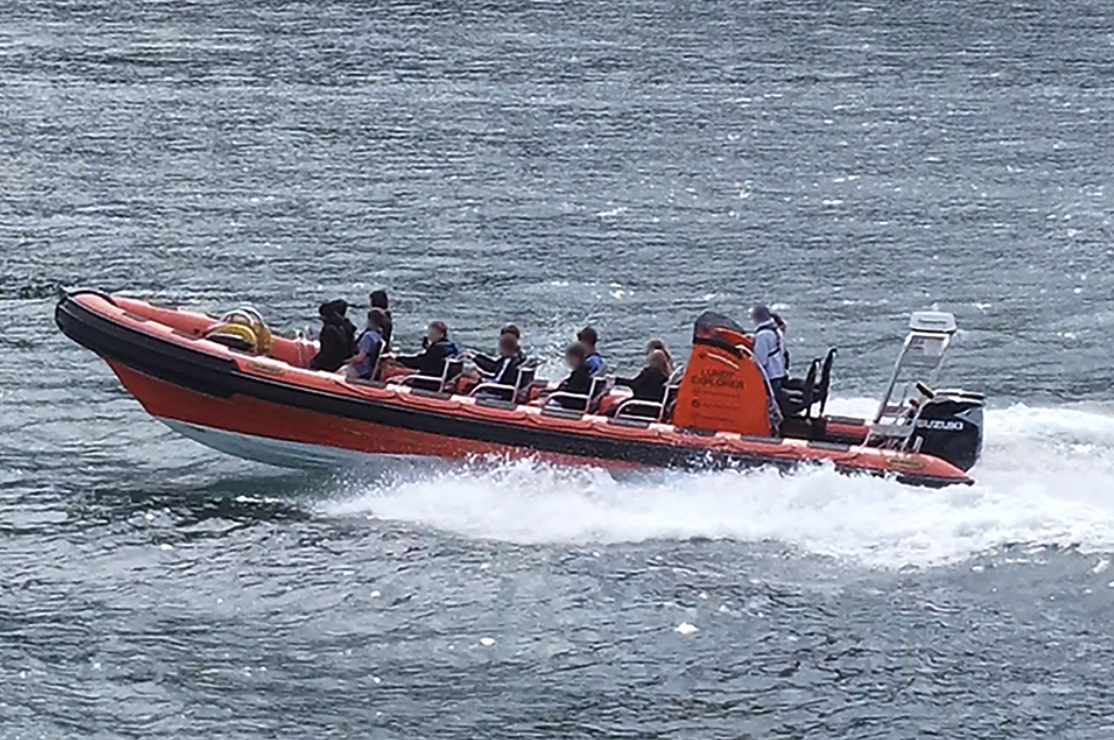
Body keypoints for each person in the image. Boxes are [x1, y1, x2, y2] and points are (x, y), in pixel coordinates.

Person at [751, 304, 789, 414]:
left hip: (770, 375)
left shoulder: (762, 335)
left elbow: (760, 360)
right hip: (779, 372)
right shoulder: (776, 330)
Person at [394, 320, 460, 378]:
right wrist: (429, 348)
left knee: (395, 379)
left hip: (432, 379)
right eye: (429, 333)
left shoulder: (437, 349)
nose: (430, 336)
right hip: (442, 375)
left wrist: (399, 359)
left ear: (441, 334)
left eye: (432, 334)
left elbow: (420, 362)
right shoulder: (450, 346)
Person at [309, 300, 356, 372]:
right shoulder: (348, 325)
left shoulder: (329, 330)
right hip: (344, 359)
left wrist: (314, 362)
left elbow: (328, 352)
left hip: (332, 364)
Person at [342, 309, 387, 380]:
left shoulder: (368, 336)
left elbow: (360, 357)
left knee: (339, 373)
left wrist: (346, 361)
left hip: (360, 369)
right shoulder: (379, 335)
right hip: (369, 368)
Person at [546, 342, 593, 408]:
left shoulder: (580, 374)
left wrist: (555, 395)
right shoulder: (583, 371)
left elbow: (573, 391)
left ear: (575, 358)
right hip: (574, 400)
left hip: (573, 403)